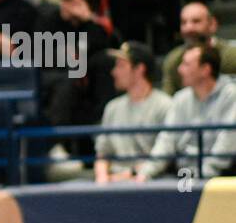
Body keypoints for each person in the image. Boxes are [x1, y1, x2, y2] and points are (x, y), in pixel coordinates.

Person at [136, 45, 236, 180]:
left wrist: (197, 178)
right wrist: (145, 173)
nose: (180, 69)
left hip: (221, 176)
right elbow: (167, 140)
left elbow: (226, 145)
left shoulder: (231, 96)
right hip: (185, 174)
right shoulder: (180, 98)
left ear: (205, 69)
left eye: (186, 64)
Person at [94, 42, 172, 182]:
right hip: (114, 182)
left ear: (139, 69)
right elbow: (102, 153)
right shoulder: (112, 107)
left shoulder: (165, 105)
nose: (114, 72)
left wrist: (135, 174)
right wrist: (102, 177)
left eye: (121, 66)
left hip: (150, 183)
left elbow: (164, 153)